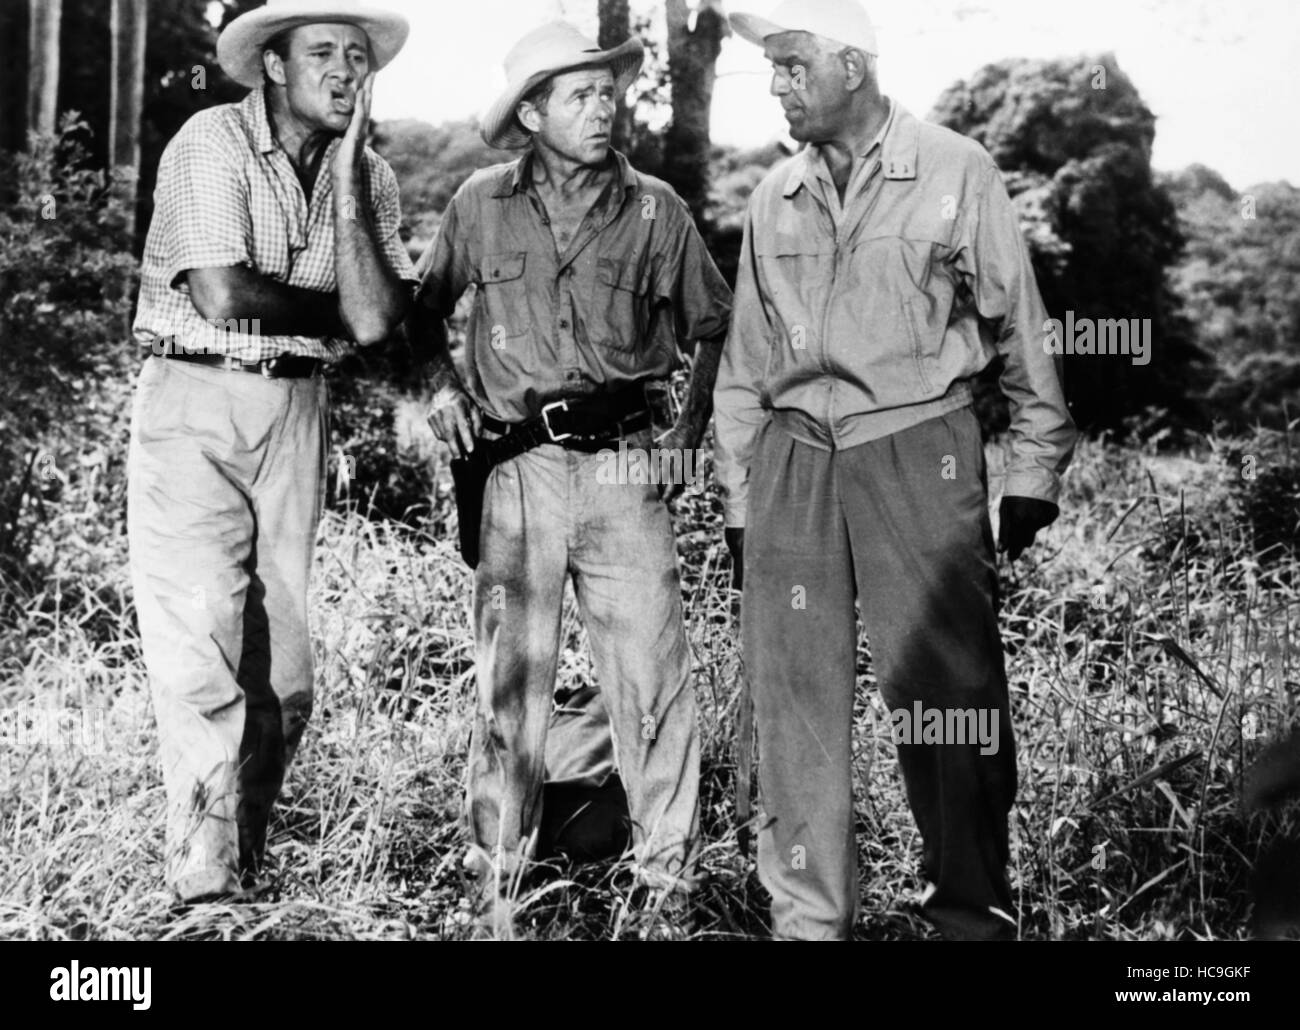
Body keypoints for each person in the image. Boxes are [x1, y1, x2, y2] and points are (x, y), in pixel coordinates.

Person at [715, 0, 1077, 939]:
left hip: (917, 445)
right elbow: (746, 364)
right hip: (794, 460)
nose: (778, 83)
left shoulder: (957, 169)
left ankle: (968, 915)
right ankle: (809, 920)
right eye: (773, 68)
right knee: (792, 698)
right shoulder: (772, 196)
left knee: (949, 699)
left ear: (852, 65)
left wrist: (1033, 467)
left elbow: (1020, 328)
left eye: (794, 64)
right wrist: (739, 494)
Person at [409, 20, 732, 933]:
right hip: (518, 468)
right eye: (579, 95)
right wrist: (442, 387)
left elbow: (715, 320)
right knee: (512, 678)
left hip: (629, 463)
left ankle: (667, 880)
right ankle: (499, 877)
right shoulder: (479, 204)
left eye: (606, 92)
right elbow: (420, 309)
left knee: (652, 674)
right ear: (532, 112)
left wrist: (688, 429)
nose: (602, 108)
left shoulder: (656, 208)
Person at [128, 0, 416, 902]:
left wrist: (350, 190)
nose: (345, 70)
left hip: (296, 410)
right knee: (201, 652)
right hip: (194, 399)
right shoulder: (211, 141)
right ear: (275, 66)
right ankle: (203, 883)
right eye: (323, 52)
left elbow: (381, 320)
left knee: (285, 678)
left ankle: (239, 858)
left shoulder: (369, 175)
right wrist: (350, 315)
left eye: (358, 55)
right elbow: (222, 295)